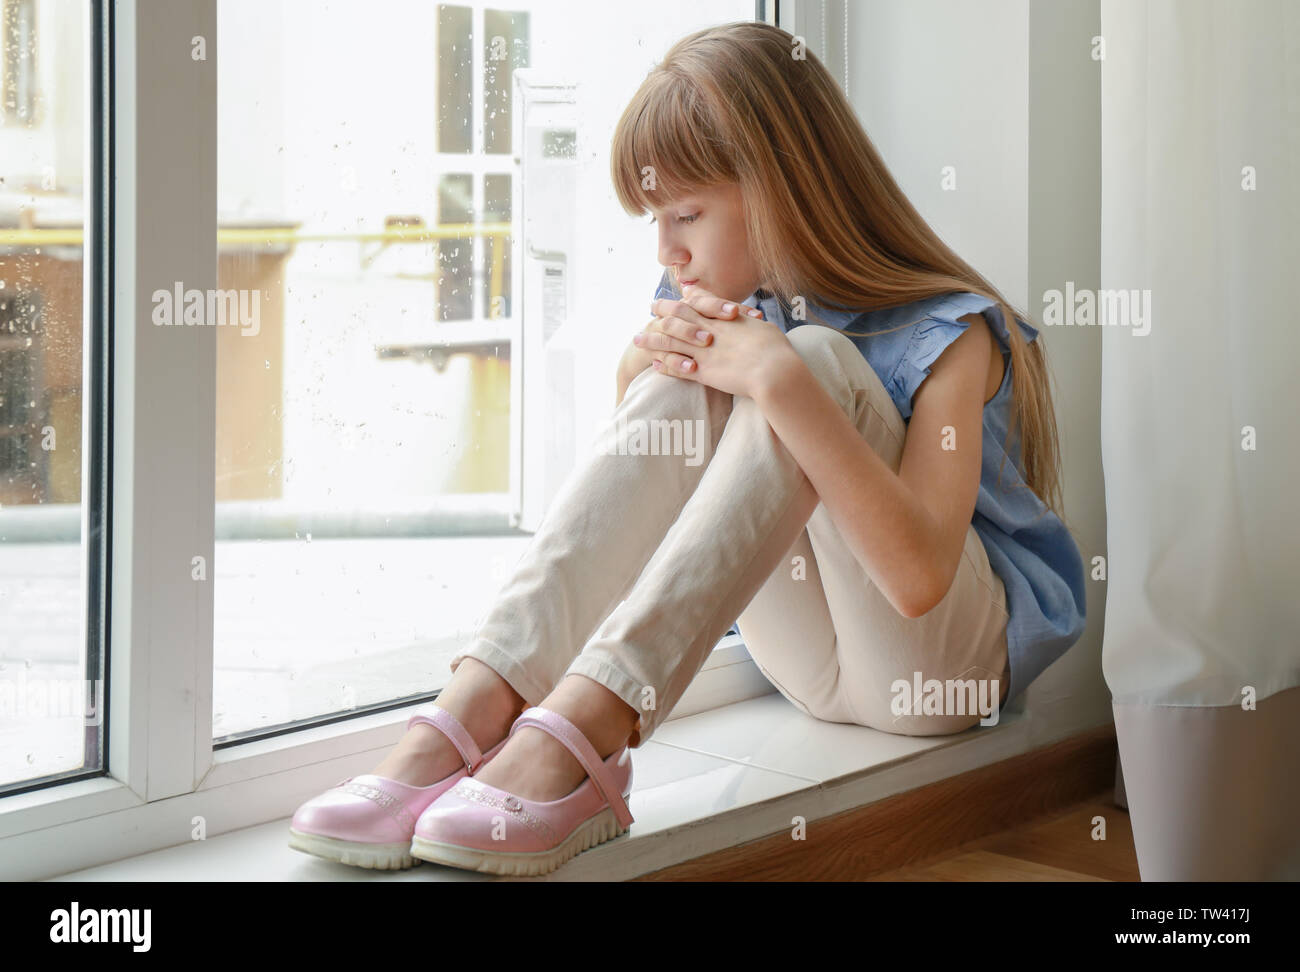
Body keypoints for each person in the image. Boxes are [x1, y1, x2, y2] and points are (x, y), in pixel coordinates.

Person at [288, 20, 1087, 877]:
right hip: (810, 669)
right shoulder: (728, 300)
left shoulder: (952, 330)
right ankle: (486, 693)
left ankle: (590, 728)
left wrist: (780, 380)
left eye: (685, 215)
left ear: (781, 189)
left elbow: (919, 579)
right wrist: (669, 360)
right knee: (700, 363)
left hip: (936, 670)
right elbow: (649, 493)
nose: (667, 249)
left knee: (805, 360)